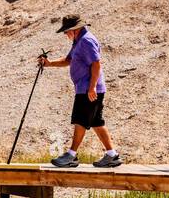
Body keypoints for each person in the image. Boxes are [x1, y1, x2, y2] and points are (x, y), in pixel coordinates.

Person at [38, 14, 122, 168]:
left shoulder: (86, 41)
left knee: (80, 121)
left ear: (75, 29)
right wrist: (49, 64)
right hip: (86, 88)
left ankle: (71, 155)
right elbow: (68, 60)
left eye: (66, 31)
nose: (65, 34)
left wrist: (92, 87)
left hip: (88, 89)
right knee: (96, 122)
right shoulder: (78, 41)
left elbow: (96, 64)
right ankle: (112, 155)